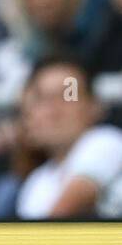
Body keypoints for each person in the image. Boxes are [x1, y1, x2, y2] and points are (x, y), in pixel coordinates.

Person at [16, 57, 122, 219]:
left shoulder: (106, 141)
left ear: (94, 106)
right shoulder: (36, 181)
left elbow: (59, 219)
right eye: (42, 99)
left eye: (68, 95)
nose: (53, 111)